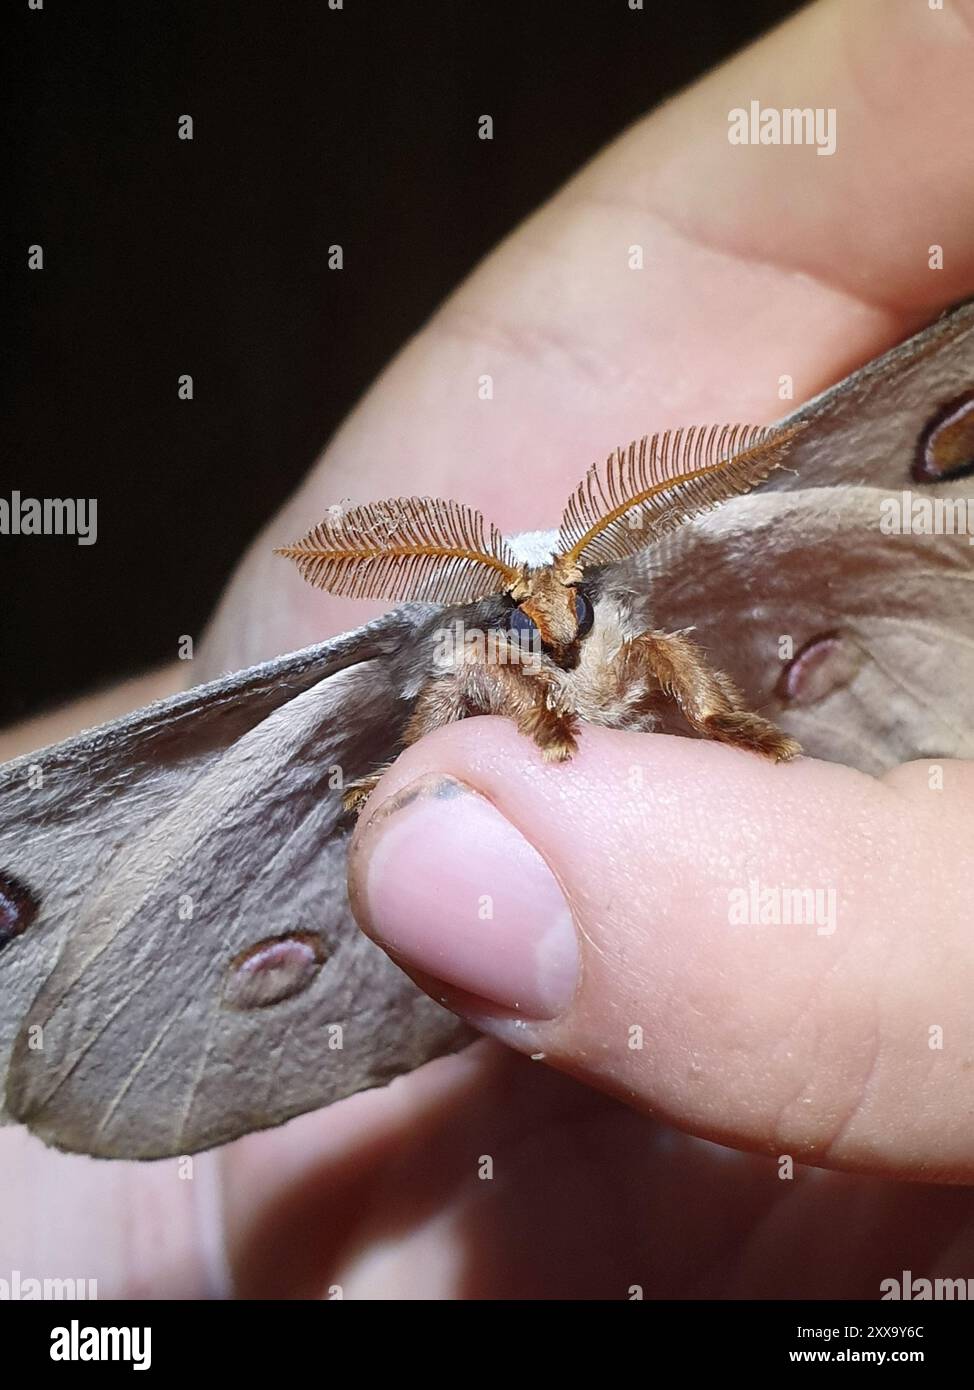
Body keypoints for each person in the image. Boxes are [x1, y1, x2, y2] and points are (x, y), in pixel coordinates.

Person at [3, 0, 973, 1298]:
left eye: (567, 603)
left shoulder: (612, 610)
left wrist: (714, 706)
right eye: (525, 619)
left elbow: (638, 642)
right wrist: (163, 1246)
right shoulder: (466, 648)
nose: (556, 628)